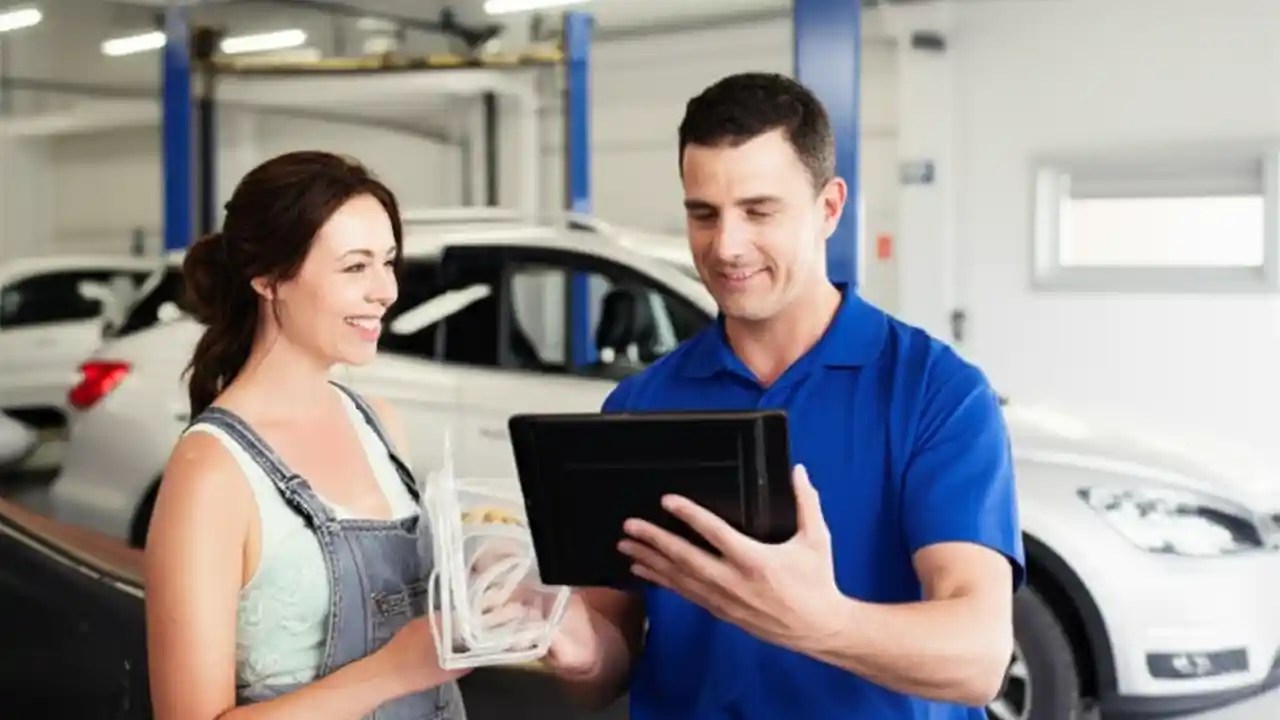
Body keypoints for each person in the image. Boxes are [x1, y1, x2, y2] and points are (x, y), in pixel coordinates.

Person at [541, 72, 1024, 718]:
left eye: (759, 211)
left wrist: (821, 622)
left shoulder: (936, 393)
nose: (726, 246)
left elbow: (979, 656)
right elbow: (607, 657)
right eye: (703, 213)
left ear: (829, 208)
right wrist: (558, 634)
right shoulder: (638, 406)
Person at [144, 151, 468, 720]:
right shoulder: (212, 471)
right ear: (269, 279)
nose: (386, 291)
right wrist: (393, 672)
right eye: (355, 267)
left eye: (389, 262)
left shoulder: (379, 425)